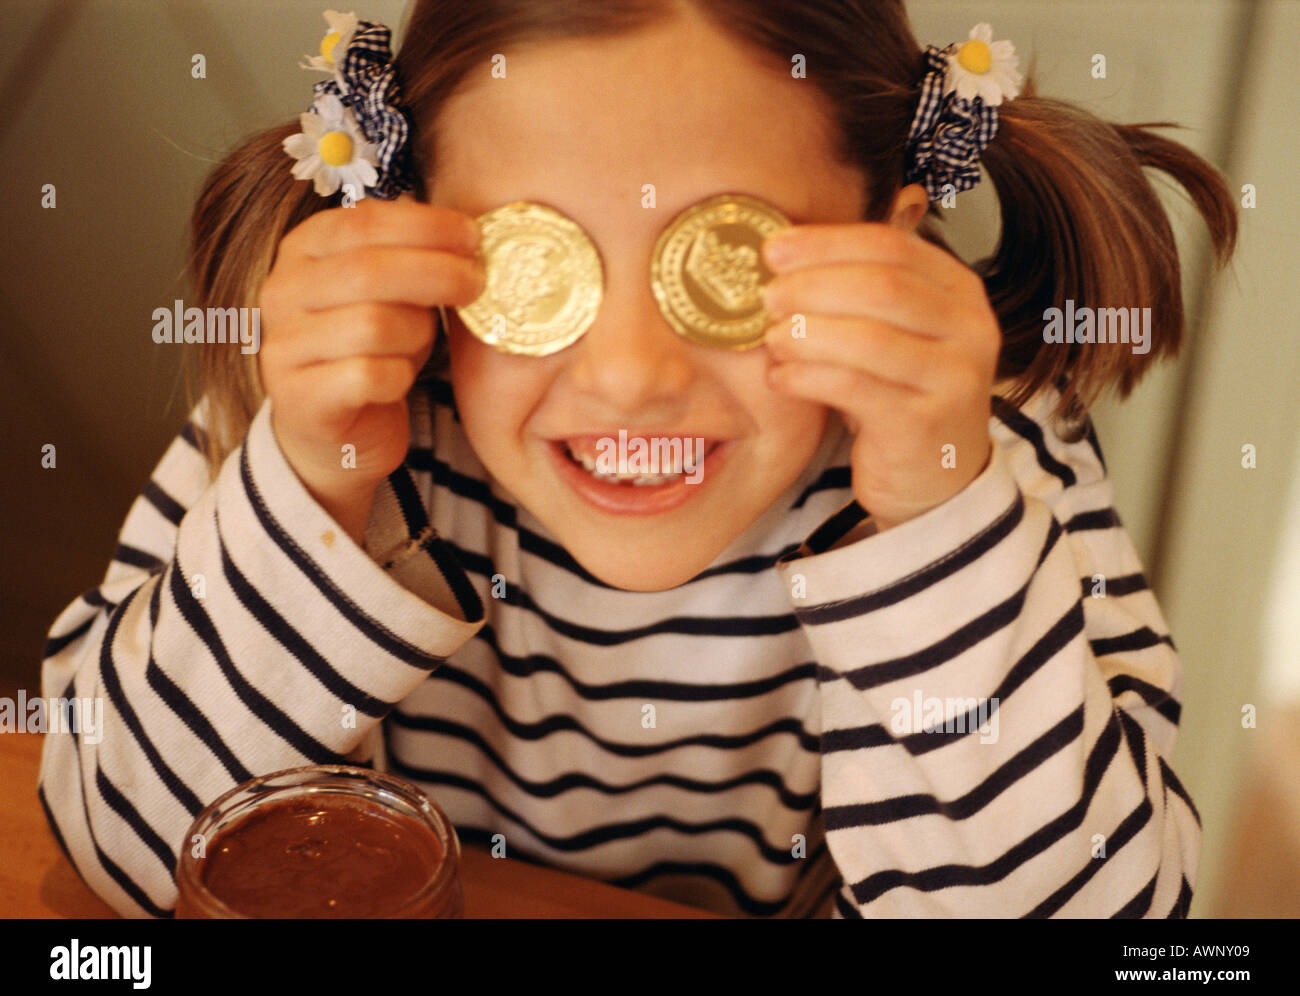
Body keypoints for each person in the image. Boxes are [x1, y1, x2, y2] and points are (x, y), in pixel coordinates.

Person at [39, 0, 1237, 918]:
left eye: (728, 263)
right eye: (535, 263)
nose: (626, 373)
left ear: (894, 252)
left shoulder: (990, 464)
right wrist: (311, 486)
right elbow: (116, 849)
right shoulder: (322, 431)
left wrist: (935, 515)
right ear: (398, 235)